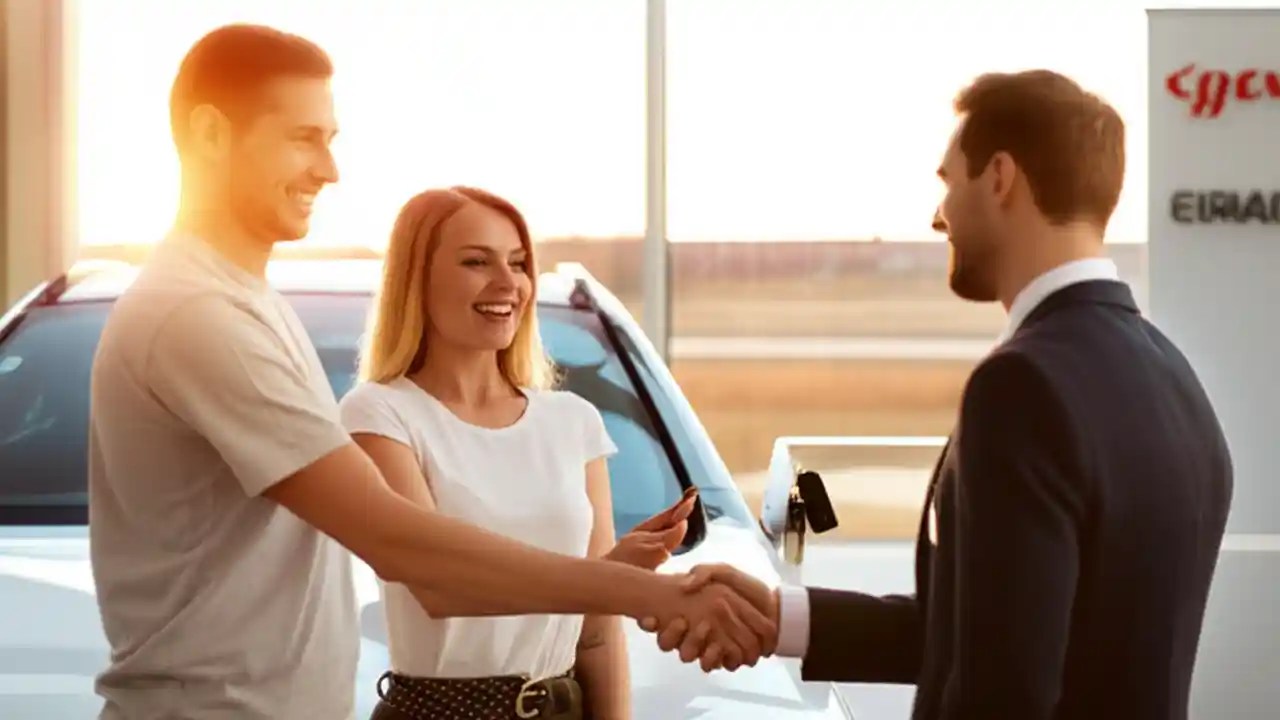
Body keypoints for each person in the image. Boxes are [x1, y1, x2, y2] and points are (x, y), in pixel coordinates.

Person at [87, 24, 773, 720]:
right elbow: (398, 541)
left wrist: (613, 585)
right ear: (209, 135)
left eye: (330, 138)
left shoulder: (247, 303)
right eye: (303, 137)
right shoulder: (200, 317)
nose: (329, 169)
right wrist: (652, 593)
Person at [650, 69, 1234, 720]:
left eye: (948, 181)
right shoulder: (1174, 377)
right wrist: (779, 616)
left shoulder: (1020, 387)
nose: (938, 216)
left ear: (1001, 177)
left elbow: (1003, 693)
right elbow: (997, 636)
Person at [338, 186, 693, 719]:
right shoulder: (380, 414)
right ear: (416, 278)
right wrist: (614, 579)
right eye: (477, 261)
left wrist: (611, 584)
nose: (509, 284)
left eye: (520, 263)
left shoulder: (573, 422)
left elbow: (595, 636)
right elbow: (439, 584)